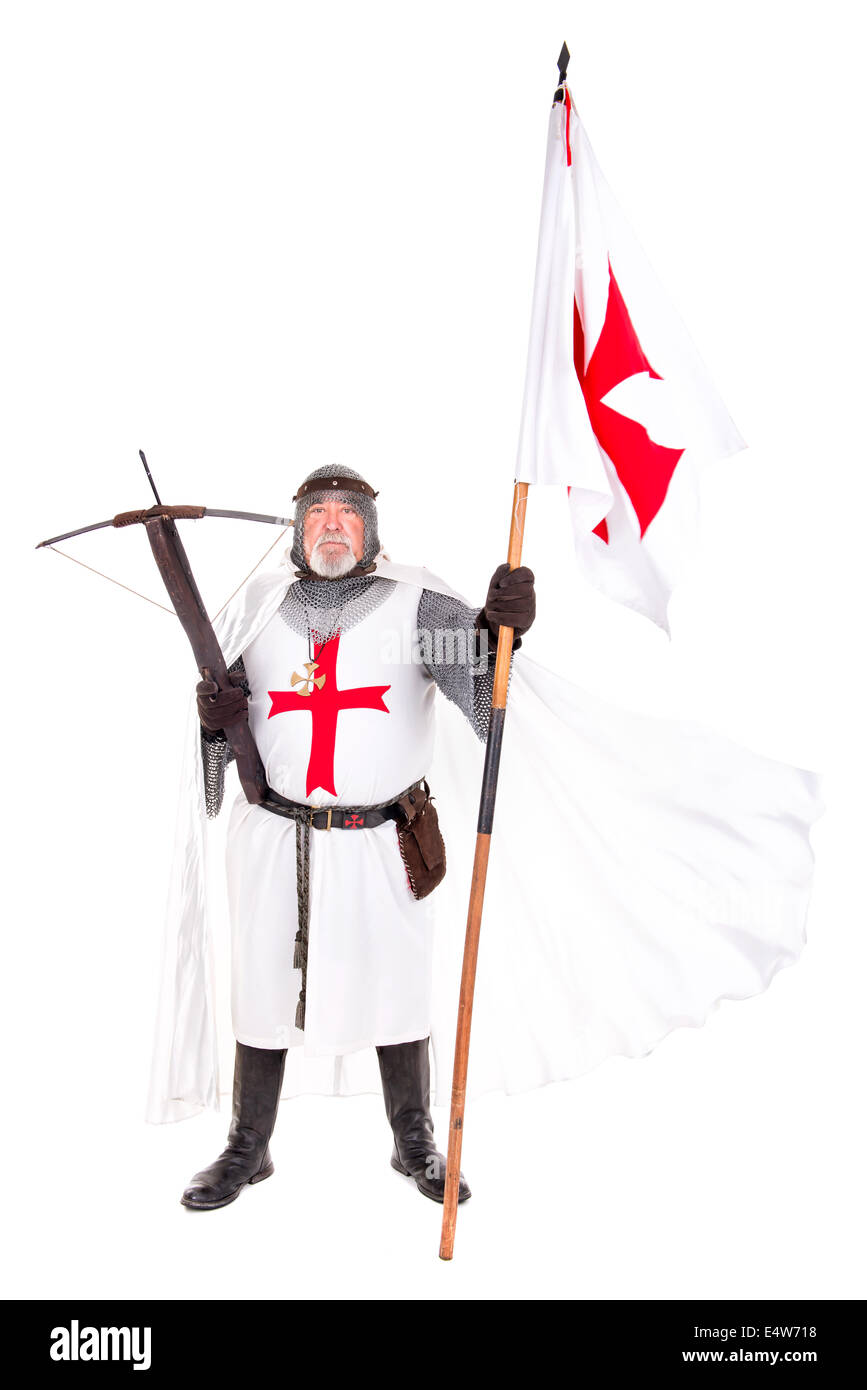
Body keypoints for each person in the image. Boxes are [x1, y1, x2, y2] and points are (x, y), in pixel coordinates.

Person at [179, 464, 536, 1210]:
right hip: (276, 834)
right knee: (261, 981)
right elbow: (224, 723)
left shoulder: (416, 602)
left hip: (383, 838)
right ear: (297, 528)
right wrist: (215, 718)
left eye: (347, 512)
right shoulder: (255, 605)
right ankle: (249, 1144)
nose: (332, 524)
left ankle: (415, 1141)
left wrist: (498, 634)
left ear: (370, 528)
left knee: (399, 984)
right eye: (318, 514)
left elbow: (485, 690)